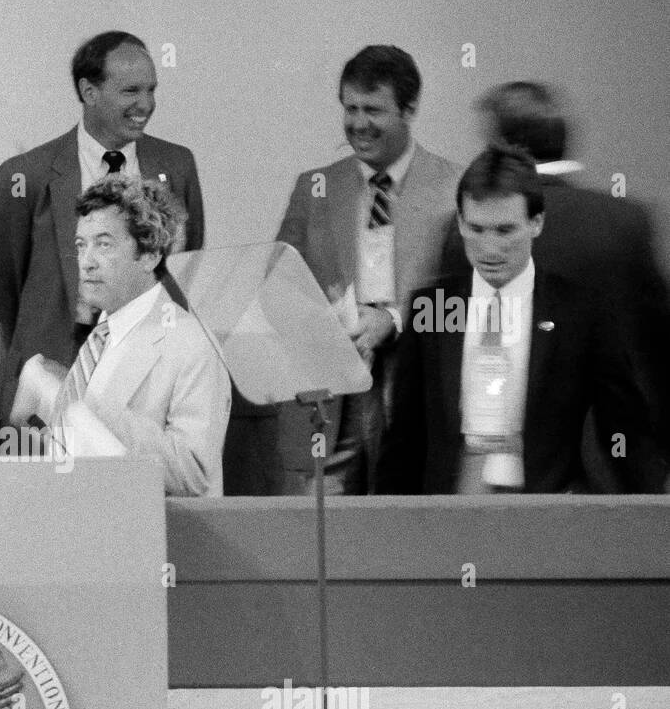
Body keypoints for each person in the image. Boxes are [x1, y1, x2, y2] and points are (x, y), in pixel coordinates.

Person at [0, 31, 279, 492]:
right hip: (51, 371)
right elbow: (2, 278)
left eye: (152, 89)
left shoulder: (176, 165)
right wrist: (44, 336)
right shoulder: (26, 175)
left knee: (130, 501)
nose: (146, 103)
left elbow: (180, 265)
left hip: (144, 371)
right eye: (131, 91)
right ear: (88, 92)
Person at [376, 147, 668, 495]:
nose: (489, 249)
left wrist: (656, 507)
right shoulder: (434, 306)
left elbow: (623, 429)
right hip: (449, 514)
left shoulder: (578, 310)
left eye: (504, 230)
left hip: (545, 513)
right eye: (477, 229)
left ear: (536, 223)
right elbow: (405, 435)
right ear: (459, 223)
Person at [276, 45, 463, 494]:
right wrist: (330, 322)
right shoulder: (314, 188)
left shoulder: (455, 187)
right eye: (350, 108)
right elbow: (280, 284)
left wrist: (393, 318)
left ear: (410, 108)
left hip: (418, 387)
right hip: (333, 399)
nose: (358, 123)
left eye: (373, 109)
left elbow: (462, 298)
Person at [476, 81, 670, 480]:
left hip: (515, 467)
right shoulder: (626, 223)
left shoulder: (477, 233)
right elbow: (658, 349)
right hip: (623, 466)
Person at [55, 175, 230, 496]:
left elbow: (192, 475)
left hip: (151, 536)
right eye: (82, 245)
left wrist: (98, 415)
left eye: (104, 244)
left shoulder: (191, 342)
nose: (86, 262)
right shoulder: (98, 338)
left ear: (150, 255)